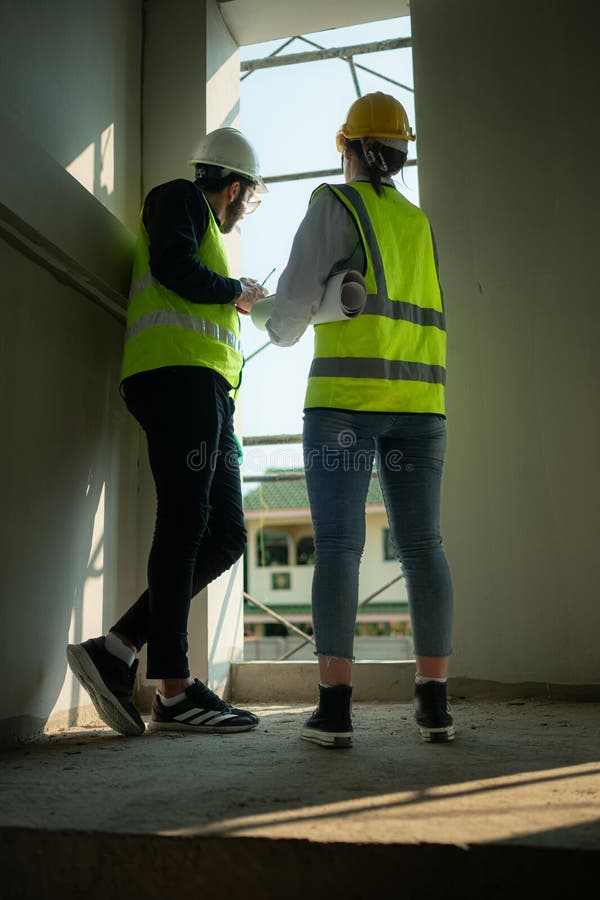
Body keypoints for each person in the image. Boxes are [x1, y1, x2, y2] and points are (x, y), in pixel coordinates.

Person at [266, 92, 454, 748]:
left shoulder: (334, 204)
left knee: (342, 548)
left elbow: (290, 316)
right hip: (422, 408)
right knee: (424, 547)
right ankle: (434, 705)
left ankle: (335, 711)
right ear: (398, 154)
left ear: (348, 147)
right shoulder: (418, 224)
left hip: (345, 405)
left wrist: (269, 317)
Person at [67, 127, 268, 736]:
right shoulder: (177, 197)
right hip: (177, 382)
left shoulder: (205, 228)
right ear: (232, 187)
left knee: (225, 533)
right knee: (185, 521)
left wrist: (233, 296)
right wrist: (237, 292)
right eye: (245, 199)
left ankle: (118, 649)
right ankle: (175, 688)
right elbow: (173, 267)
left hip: (207, 393)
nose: (240, 210)